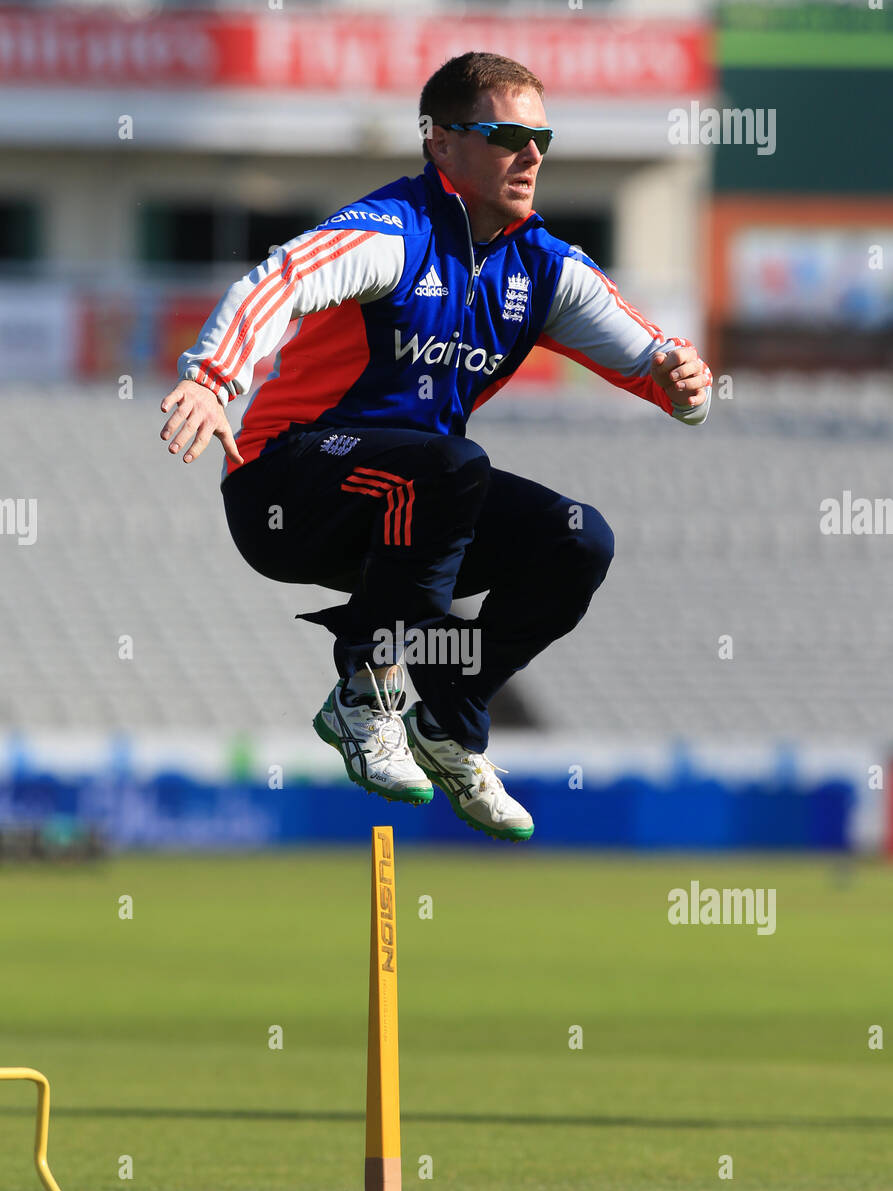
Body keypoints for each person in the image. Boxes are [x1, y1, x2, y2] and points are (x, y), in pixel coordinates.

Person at [160, 52, 711, 842]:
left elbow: (654, 360)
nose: (530, 155)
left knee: (576, 539)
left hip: (411, 508)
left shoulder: (542, 266)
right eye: (505, 134)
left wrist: (685, 382)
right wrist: (212, 377)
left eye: (541, 138)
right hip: (286, 487)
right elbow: (282, 277)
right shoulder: (392, 230)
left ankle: (446, 728)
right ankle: (366, 693)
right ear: (440, 141)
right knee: (450, 465)